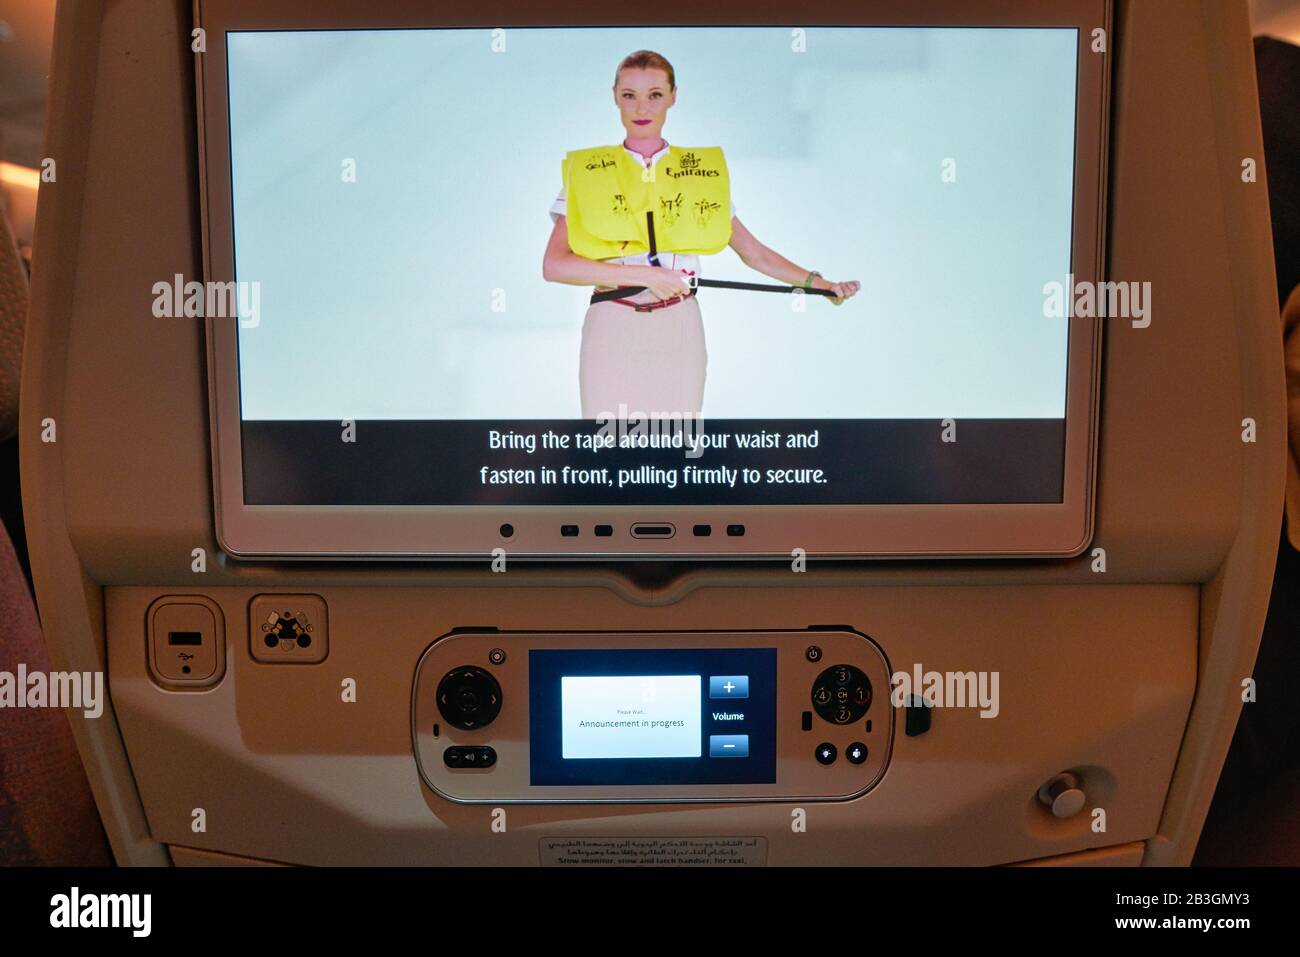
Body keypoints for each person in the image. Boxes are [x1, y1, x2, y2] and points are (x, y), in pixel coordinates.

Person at [542, 49, 861, 419]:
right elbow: (555, 265)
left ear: (673, 97)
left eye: (655, 95)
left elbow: (753, 253)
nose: (641, 107)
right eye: (629, 95)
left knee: (677, 448)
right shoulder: (588, 174)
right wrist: (643, 275)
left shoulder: (698, 174)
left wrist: (817, 283)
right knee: (609, 449)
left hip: (678, 324)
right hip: (611, 322)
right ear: (615, 96)